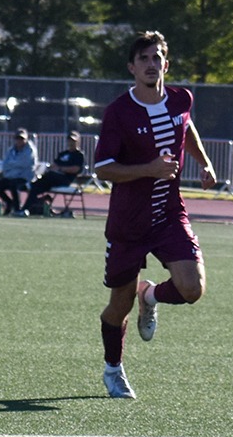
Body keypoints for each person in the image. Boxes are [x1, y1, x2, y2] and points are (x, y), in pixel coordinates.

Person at [91, 31, 218, 399]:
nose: (151, 64)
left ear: (166, 64)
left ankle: (151, 296)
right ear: (132, 67)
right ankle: (113, 369)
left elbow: (185, 124)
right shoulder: (119, 112)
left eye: (156, 57)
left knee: (192, 289)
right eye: (143, 58)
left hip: (168, 213)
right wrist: (148, 169)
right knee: (118, 306)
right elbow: (103, 168)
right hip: (129, 222)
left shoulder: (181, 99)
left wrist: (204, 162)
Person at [22, 130, 86, 217]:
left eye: (73, 141)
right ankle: (24, 210)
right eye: (70, 140)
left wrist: (61, 168)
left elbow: (75, 169)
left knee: (47, 177)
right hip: (52, 179)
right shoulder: (63, 154)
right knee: (36, 188)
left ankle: (30, 185)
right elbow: (54, 165)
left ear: (78, 142)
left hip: (65, 179)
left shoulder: (79, 155)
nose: (71, 143)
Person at [0, 128, 37, 216]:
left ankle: (17, 209)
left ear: (26, 139)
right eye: (17, 138)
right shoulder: (11, 150)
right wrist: (14, 164)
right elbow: (5, 164)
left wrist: (12, 164)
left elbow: (24, 163)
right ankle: (9, 202)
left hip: (24, 178)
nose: (19, 141)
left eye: (22, 139)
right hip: (11, 176)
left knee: (14, 185)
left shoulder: (30, 150)